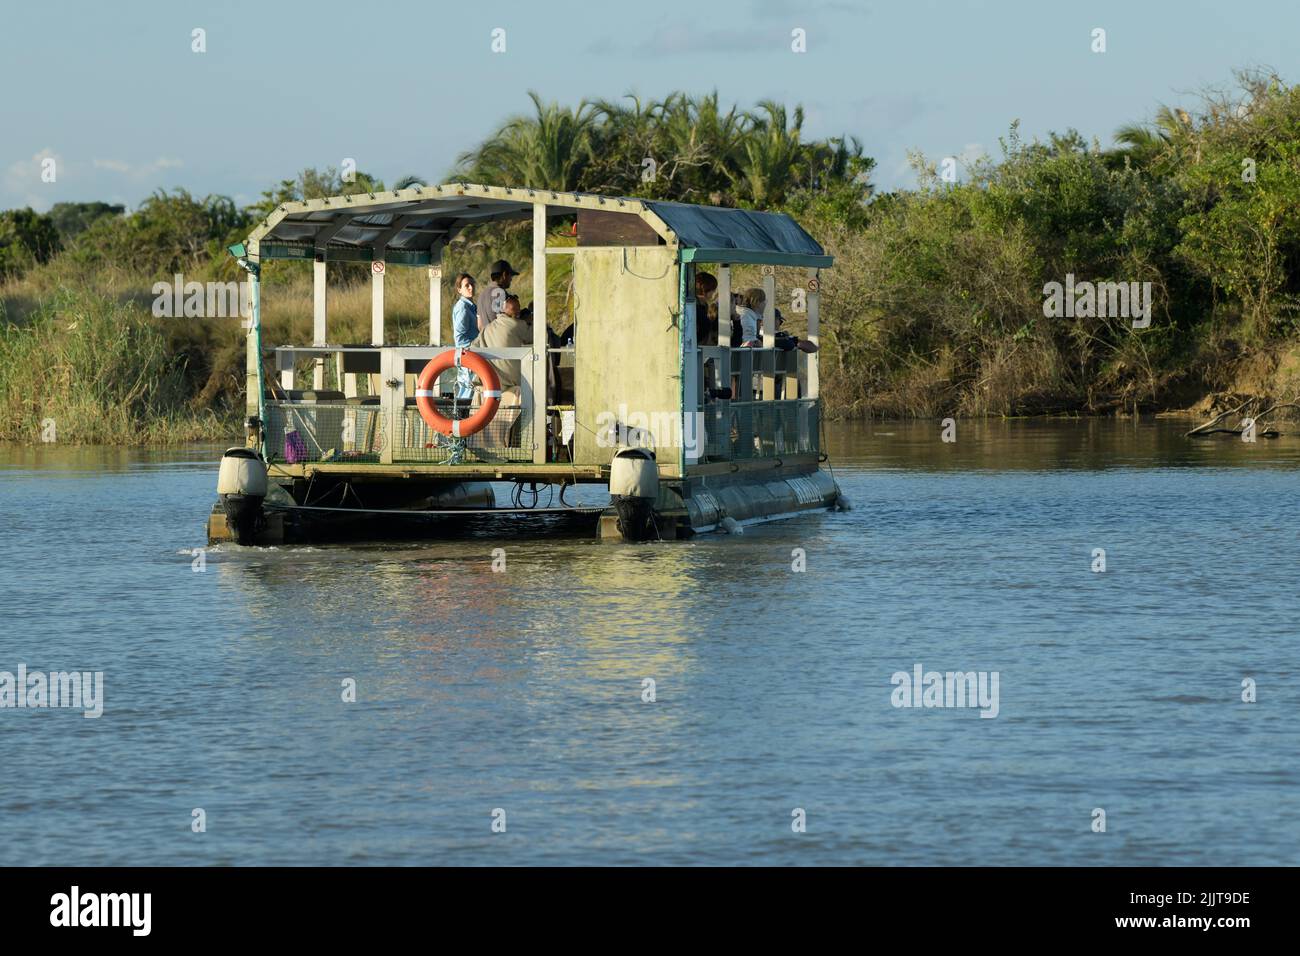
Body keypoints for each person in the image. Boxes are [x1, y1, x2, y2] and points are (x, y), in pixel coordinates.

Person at [471, 294, 531, 392]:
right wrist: (530, 321)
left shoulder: (488, 328)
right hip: (510, 380)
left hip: (490, 378)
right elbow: (535, 336)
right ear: (517, 312)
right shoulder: (518, 325)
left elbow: (473, 346)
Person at [451, 273, 478, 400]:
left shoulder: (471, 307)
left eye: (472, 284)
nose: (471, 287)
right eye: (467, 285)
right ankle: (461, 418)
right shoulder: (463, 307)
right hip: (468, 356)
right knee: (467, 394)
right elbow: (460, 337)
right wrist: (472, 350)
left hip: (470, 355)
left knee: (468, 392)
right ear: (459, 290)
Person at [477, 259, 519, 332]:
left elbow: (479, 325)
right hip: (499, 341)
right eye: (511, 275)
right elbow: (503, 321)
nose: (511, 279)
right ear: (504, 275)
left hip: (485, 341)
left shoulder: (481, 295)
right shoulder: (500, 293)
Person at [695, 271, 719, 346]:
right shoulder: (696, 305)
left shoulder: (704, 304)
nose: (714, 292)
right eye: (713, 289)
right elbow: (705, 326)